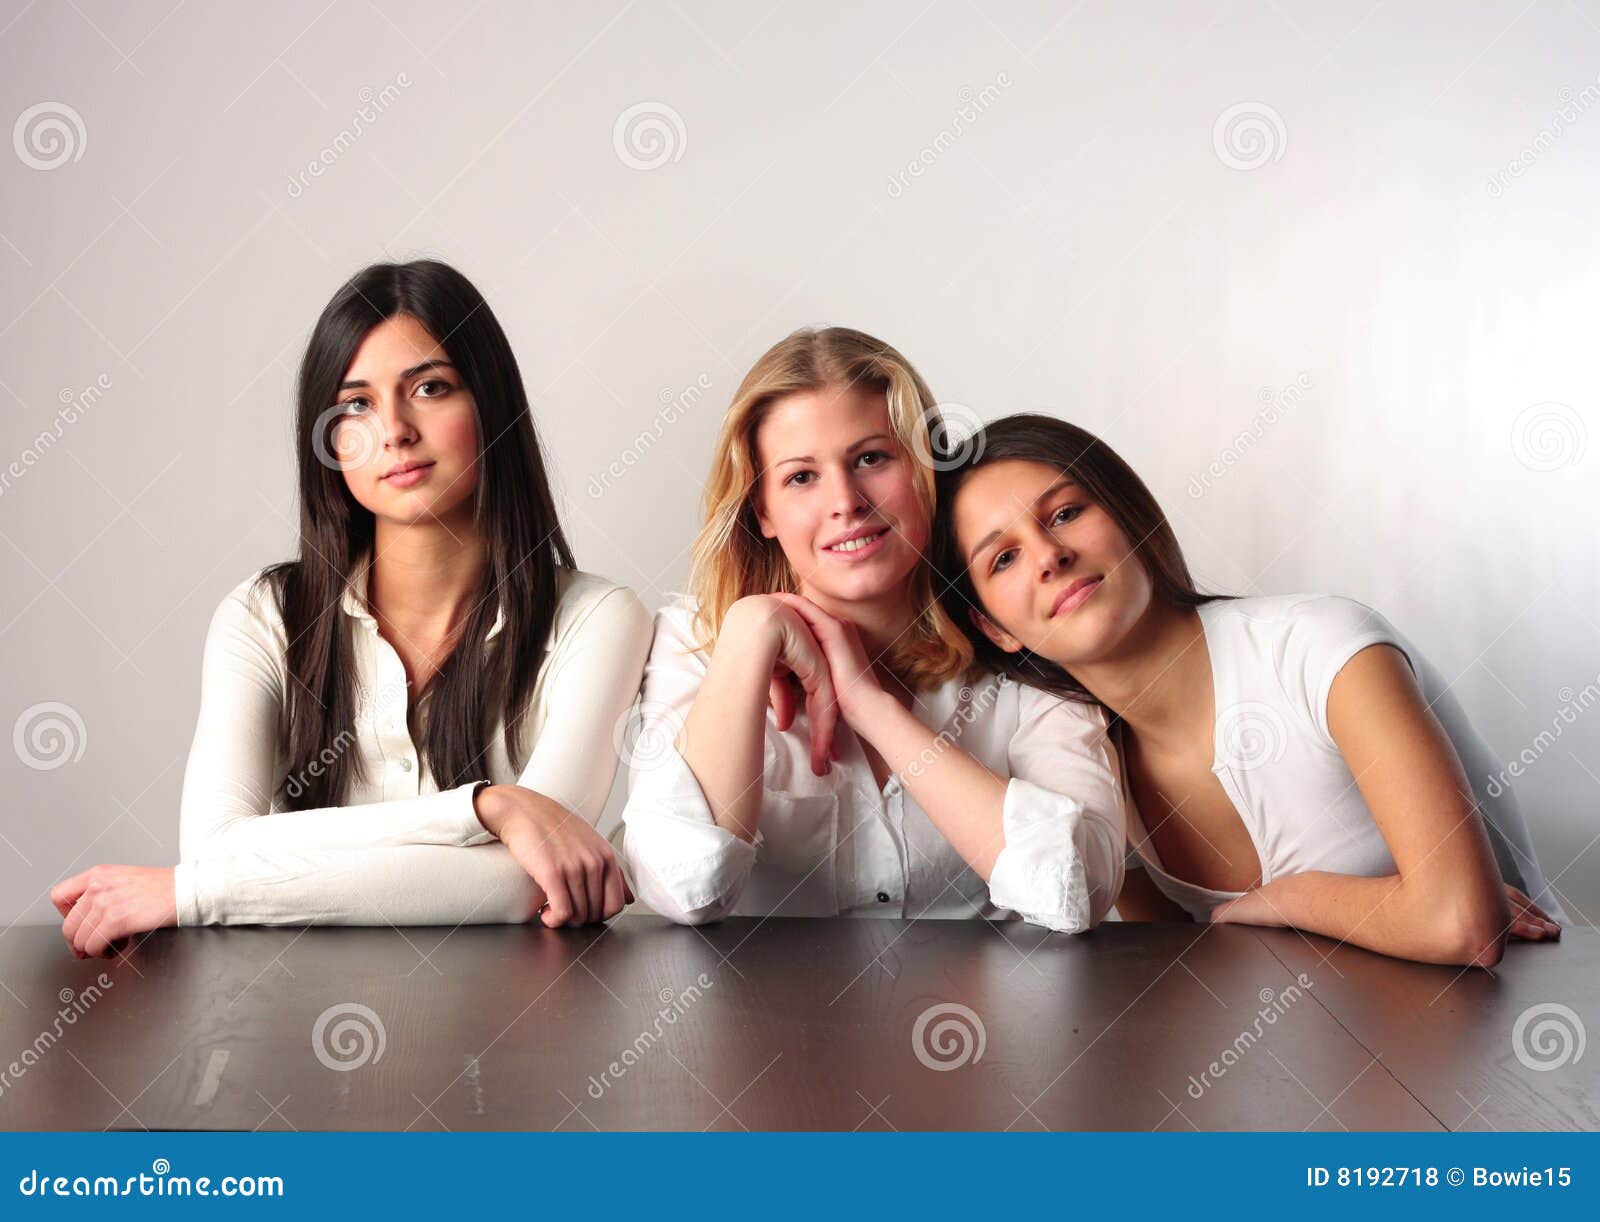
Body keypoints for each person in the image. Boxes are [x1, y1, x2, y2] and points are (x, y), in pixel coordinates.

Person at [52, 260, 651, 957]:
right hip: (289, 1028)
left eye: (430, 388)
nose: (393, 430)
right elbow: (215, 846)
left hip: (518, 1036)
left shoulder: (598, 619)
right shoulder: (264, 615)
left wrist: (196, 894)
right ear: (330, 441)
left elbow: (533, 884)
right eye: (356, 405)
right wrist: (486, 808)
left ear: (492, 404)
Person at [934, 412, 1563, 968]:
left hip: (1510, 1056)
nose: (1048, 554)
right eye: (1004, 559)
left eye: (1067, 513)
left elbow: (1461, 925)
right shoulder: (1087, 769)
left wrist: (1286, 899)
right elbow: (1185, 975)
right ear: (993, 627)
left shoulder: (1321, 647)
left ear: (1129, 518)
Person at [618, 328, 1125, 930]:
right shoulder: (698, 643)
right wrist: (752, 634)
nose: (846, 502)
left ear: (924, 472)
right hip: (759, 1022)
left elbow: (1080, 890)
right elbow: (688, 888)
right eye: (801, 477)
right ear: (763, 511)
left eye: (871, 459)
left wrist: (873, 708)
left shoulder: (1014, 630)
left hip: (987, 1020)